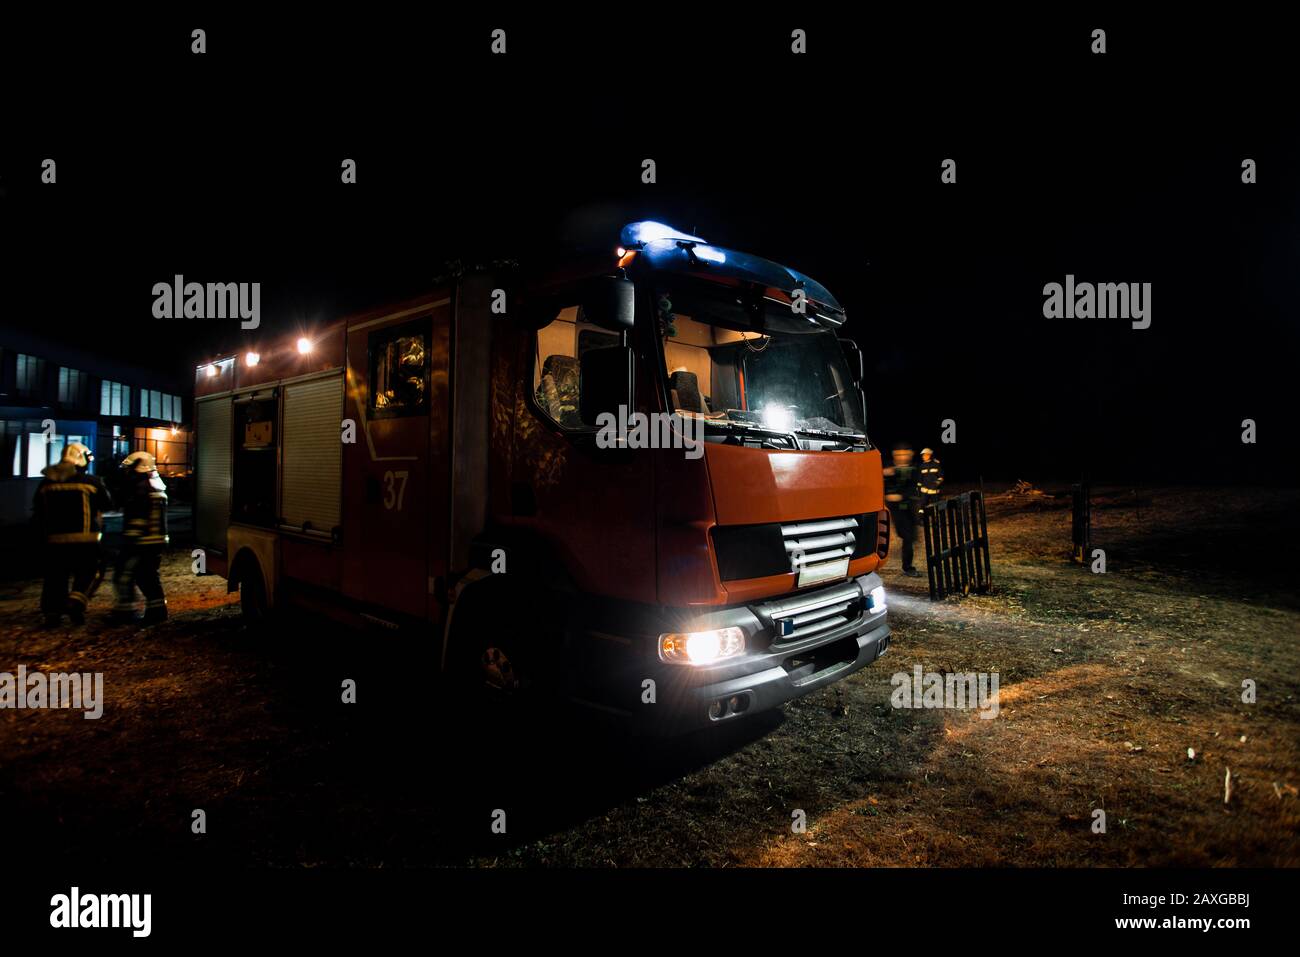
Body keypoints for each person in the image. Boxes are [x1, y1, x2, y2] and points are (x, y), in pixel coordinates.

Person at [33, 441, 113, 626]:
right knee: (91, 571)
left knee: (55, 576)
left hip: (54, 540)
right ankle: (76, 602)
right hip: (85, 539)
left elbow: (37, 510)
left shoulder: (46, 483)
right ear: (82, 459)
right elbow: (108, 504)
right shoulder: (91, 482)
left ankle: (52, 613)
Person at [111, 451, 170, 625]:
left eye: (129, 470)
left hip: (142, 542)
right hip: (154, 542)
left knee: (125, 575)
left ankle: (126, 613)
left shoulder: (142, 489)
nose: (127, 474)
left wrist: (129, 541)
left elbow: (137, 518)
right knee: (148, 577)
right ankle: (157, 612)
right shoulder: (155, 487)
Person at [882, 442, 922, 577]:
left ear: (911, 454)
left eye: (905, 454)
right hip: (893, 509)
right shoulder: (887, 466)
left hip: (908, 507)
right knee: (906, 536)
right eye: (898, 454)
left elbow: (912, 486)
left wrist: (901, 495)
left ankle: (907, 566)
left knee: (909, 537)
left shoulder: (914, 468)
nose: (902, 457)